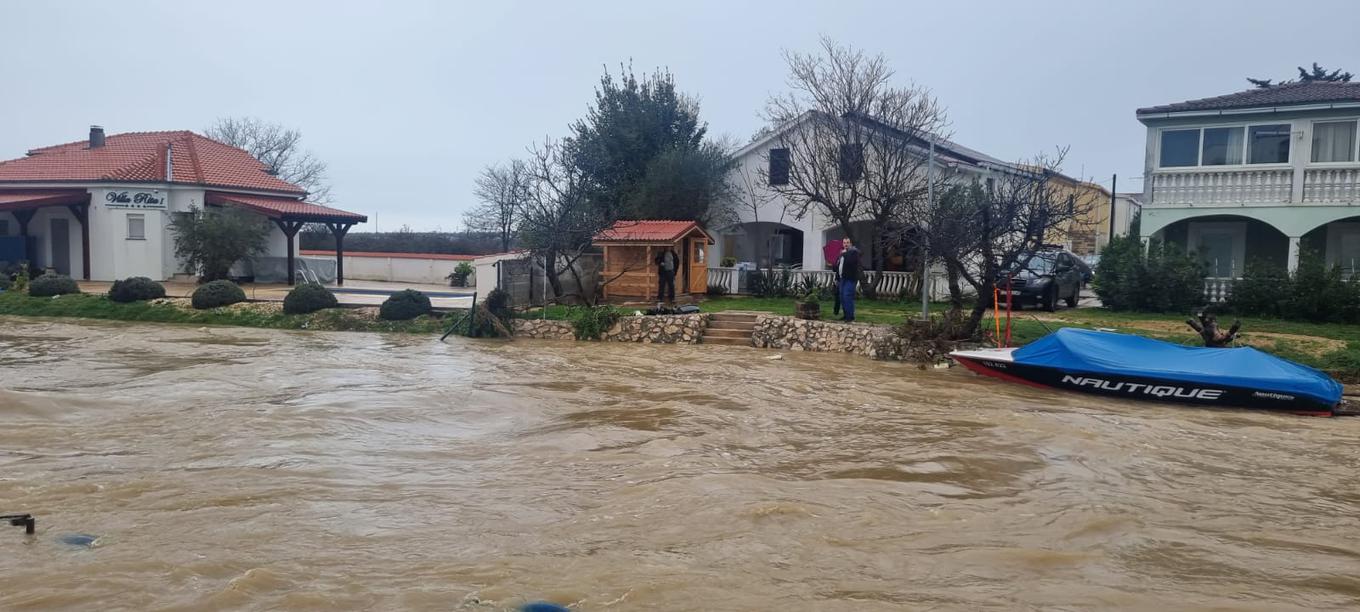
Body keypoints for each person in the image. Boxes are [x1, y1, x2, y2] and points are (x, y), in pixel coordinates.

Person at [834, 237, 861, 322]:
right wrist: (834, 264)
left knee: (847, 296)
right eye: (844, 243)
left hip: (850, 278)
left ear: (851, 244)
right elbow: (837, 267)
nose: (846, 244)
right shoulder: (841, 254)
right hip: (842, 278)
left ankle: (850, 316)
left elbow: (850, 262)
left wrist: (844, 254)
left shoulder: (854, 252)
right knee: (842, 297)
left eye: (847, 242)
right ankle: (846, 315)